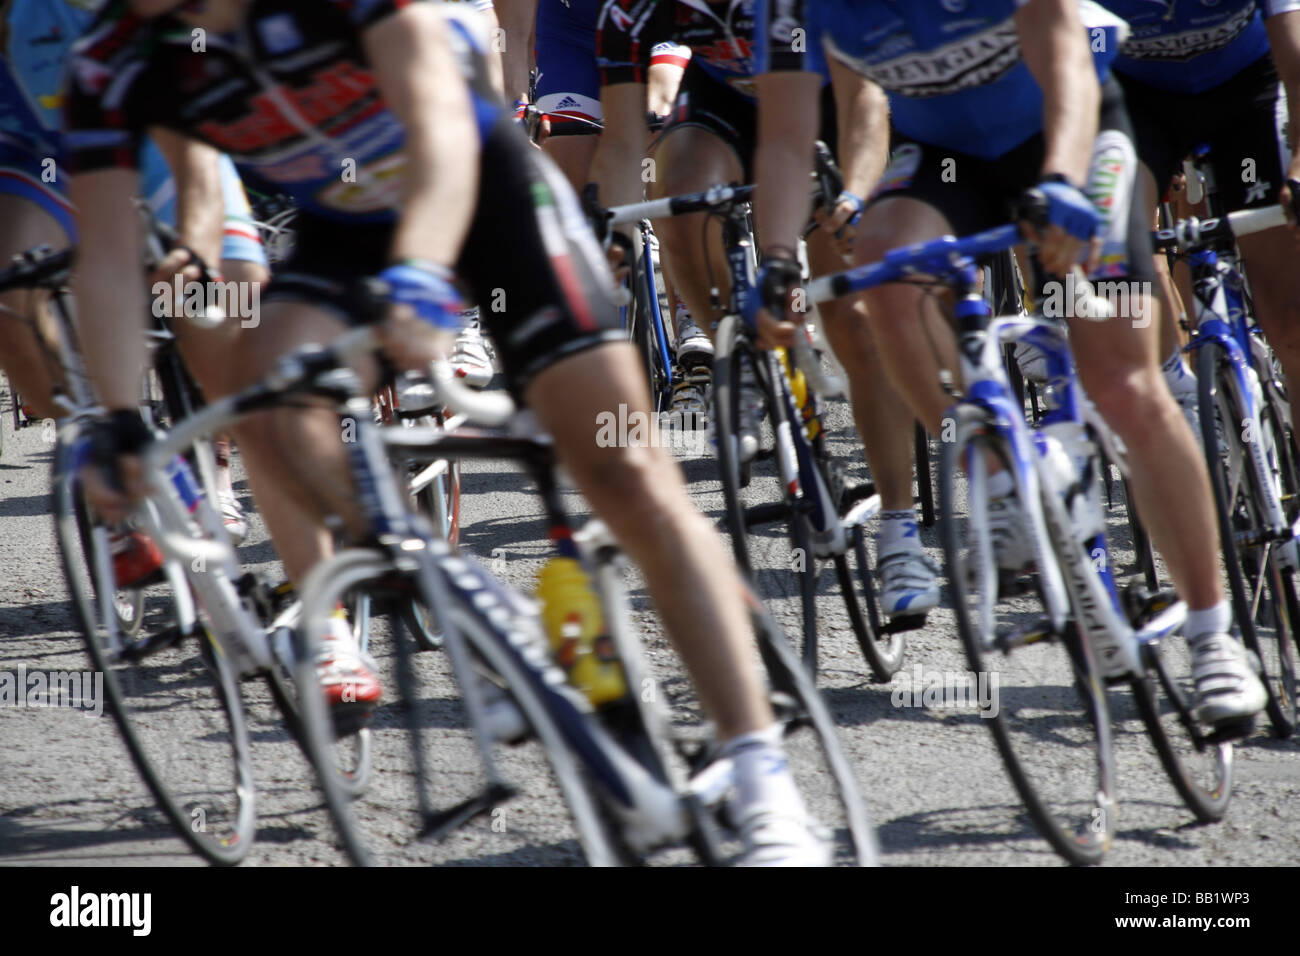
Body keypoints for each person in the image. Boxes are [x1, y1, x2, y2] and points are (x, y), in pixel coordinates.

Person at [66, 0, 831, 865]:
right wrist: (122, 418)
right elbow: (108, 249)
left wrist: (428, 280)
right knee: (271, 401)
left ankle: (761, 777)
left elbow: (437, 123)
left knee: (626, 476)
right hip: (347, 234)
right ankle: (472, 603)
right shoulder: (118, 56)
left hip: (486, 193)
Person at [749, 0, 1265, 732]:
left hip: (1068, 131)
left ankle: (1215, 638)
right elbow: (785, 135)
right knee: (883, 264)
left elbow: (1065, 55)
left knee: (1122, 384)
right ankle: (998, 478)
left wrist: (1059, 181)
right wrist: (775, 259)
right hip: (943, 158)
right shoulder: (788, 8)